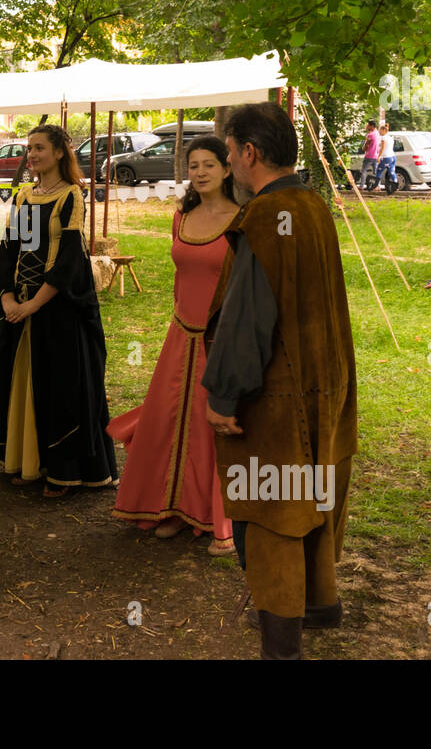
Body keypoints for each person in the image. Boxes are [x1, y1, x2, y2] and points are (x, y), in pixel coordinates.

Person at [202, 101, 357, 660]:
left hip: (278, 392)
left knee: (270, 513)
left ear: (249, 152)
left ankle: (281, 645)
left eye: (228, 151)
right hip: (322, 382)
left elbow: (247, 317)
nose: (227, 163)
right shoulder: (311, 204)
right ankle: (319, 602)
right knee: (306, 494)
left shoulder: (269, 216)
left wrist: (223, 395)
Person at [107, 135, 238, 555]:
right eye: (194, 165)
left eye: (209, 165)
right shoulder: (181, 217)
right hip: (180, 333)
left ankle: (224, 521)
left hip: (222, 337)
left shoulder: (243, 219)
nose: (200, 172)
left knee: (213, 426)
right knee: (172, 422)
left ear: (228, 168)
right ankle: (174, 509)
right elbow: (183, 279)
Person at [0, 123, 117, 497]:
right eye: (29, 148)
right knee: (21, 384)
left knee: (60, 388)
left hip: (59, 310)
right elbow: (12, 248)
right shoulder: (26, 196)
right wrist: (9, 298)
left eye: (39, 148)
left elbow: (70, 262)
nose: (32, 154)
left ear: (60, 152)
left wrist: (33, 305)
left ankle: (64, 470)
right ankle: (31, 461)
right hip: (23, 306)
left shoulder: (72, 196)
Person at [374, 123, 397, 193]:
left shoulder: (383, 138)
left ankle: (377, 186)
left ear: (384, 130)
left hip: (386, 157)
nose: (379, 132)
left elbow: (382, 148)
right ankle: (395, 184)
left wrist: (378, 157)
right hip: (392, 157)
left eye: (380, 131)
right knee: (391, 172)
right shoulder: (390, 137)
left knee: (379, 171)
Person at [360, 121, 380, 188]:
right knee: (375, 172)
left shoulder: (370, 135)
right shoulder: (377, 133)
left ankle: (361, 186)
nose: (366, 127)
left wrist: (364, 146)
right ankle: (376, 186)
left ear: (372, 126)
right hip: (376, 156)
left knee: (364, 170)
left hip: (369, 155)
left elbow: (365, 147)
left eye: (368, 125)